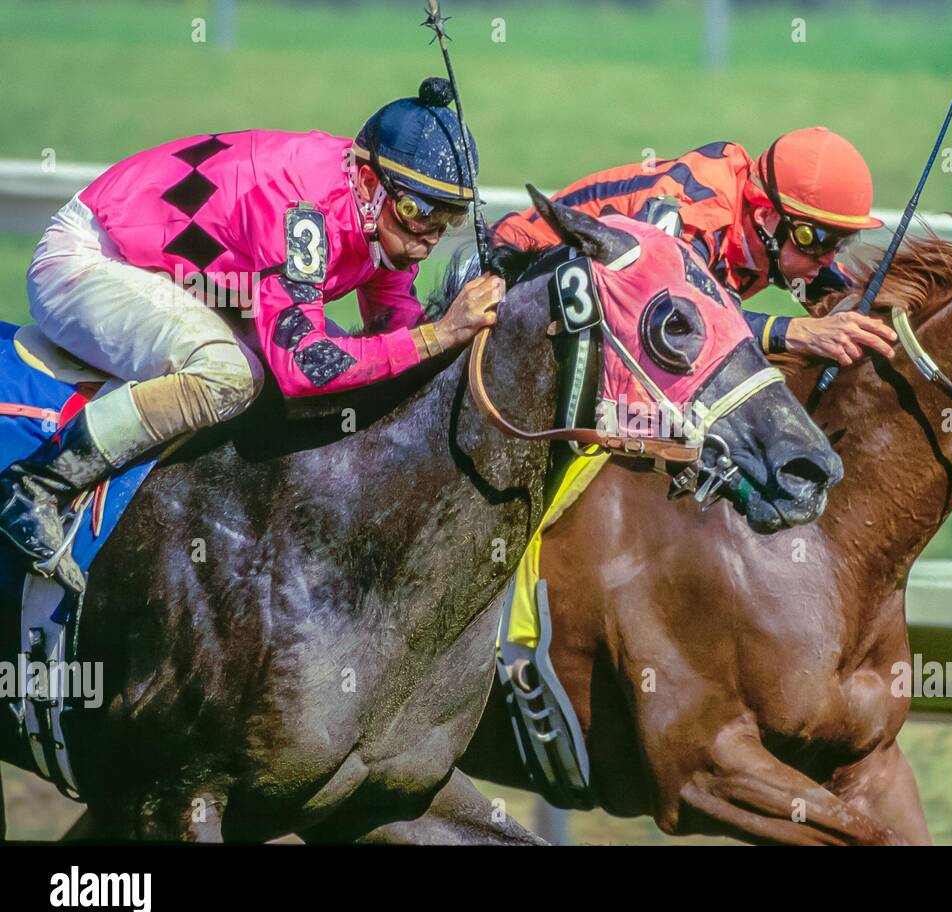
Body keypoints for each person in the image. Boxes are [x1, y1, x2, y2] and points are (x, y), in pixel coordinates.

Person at [0, 77, 504, 593]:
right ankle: (35, 483)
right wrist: (439, 334)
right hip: (94, 258)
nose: (430, 235)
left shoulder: (375, 214)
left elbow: (392, 327)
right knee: (230, 375)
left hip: (196, 278)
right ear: (371, 184)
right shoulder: (303, 212)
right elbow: (307, 367)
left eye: (449, 216)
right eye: (419, 212)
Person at [493, 126, 896, 365]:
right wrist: (797, 331)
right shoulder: (693, 216)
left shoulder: (777, 240)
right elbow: (669, 320)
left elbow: (841, 299)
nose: (826, 259)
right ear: (765, 218)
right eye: (817, 240)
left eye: (842, 242)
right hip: (515, 271)